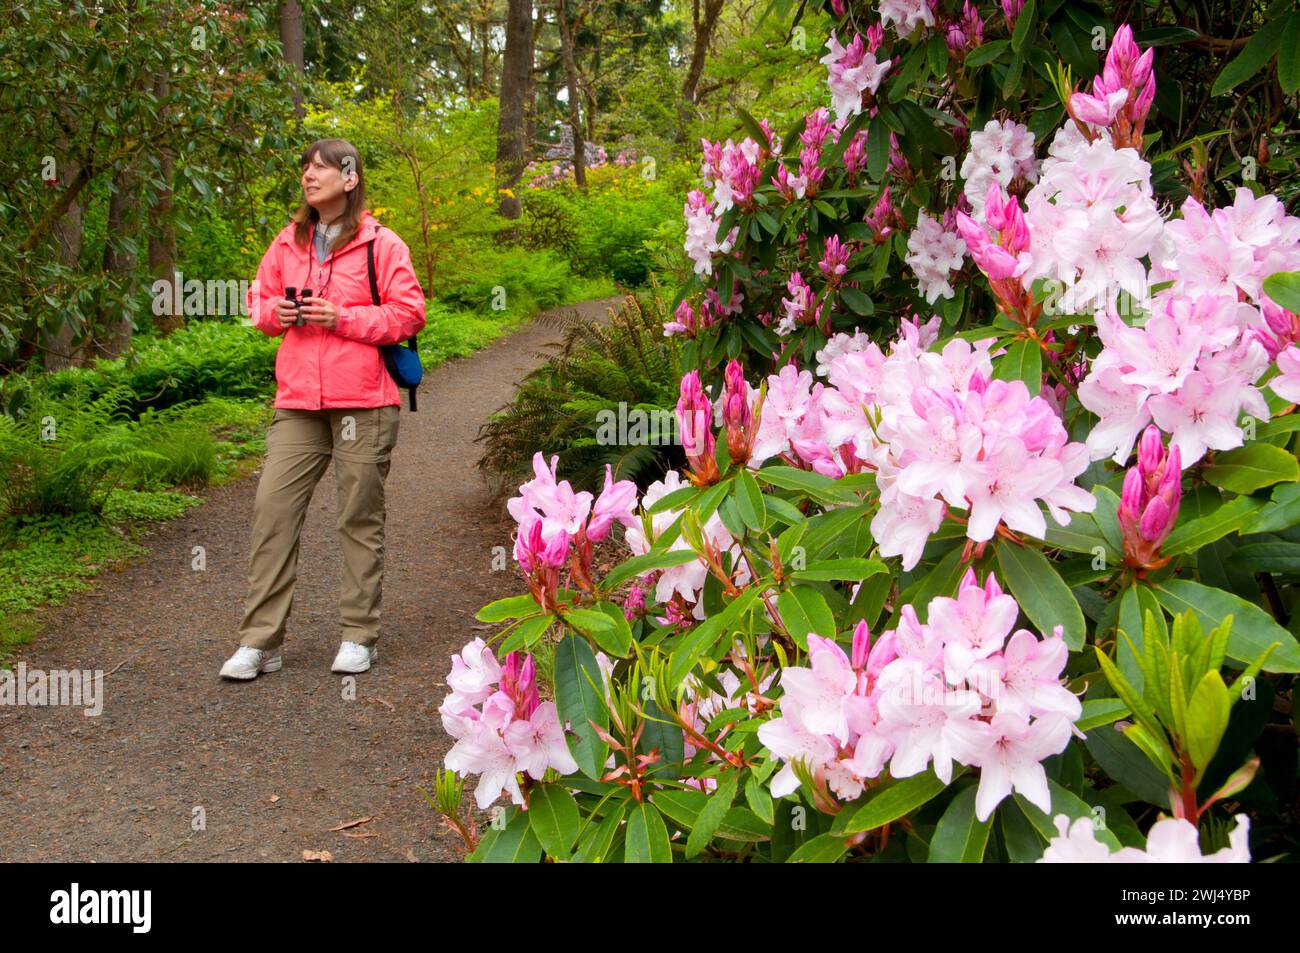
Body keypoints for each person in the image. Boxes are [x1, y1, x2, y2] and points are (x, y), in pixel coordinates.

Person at [220, 138, 426, 680]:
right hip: (297, 401)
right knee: (273, 513)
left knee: (358, 517)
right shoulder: (288, 240)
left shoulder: (382, 245)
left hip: (364, 398)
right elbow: (257, 302)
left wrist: (343, 318)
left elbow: (409, 315)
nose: (309, 175)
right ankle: (260, 642)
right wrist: (278, 314)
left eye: (321, 167)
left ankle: (359, 636)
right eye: (305, 168)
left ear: (350, 178)